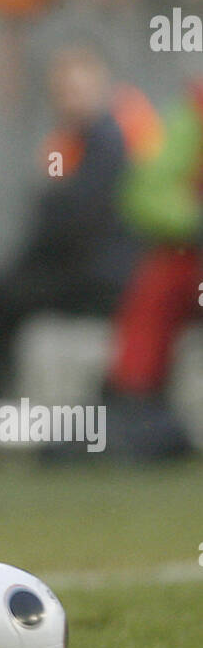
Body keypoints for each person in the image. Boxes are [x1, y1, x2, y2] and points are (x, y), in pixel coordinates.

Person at [0, 47, 154, 447]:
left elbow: (72, 216)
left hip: (100, 277)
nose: (69, 98)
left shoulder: (110, 137)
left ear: (100, 88)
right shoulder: (72, 142)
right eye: (63, 90)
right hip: (83, 271)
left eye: (78, 88)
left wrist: (45, 217)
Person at [100, 80, 203, 460]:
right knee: (160, 278)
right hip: (194, 261)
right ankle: (135, 404)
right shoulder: (194, 111)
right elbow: (145, 192)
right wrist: (194, 220)